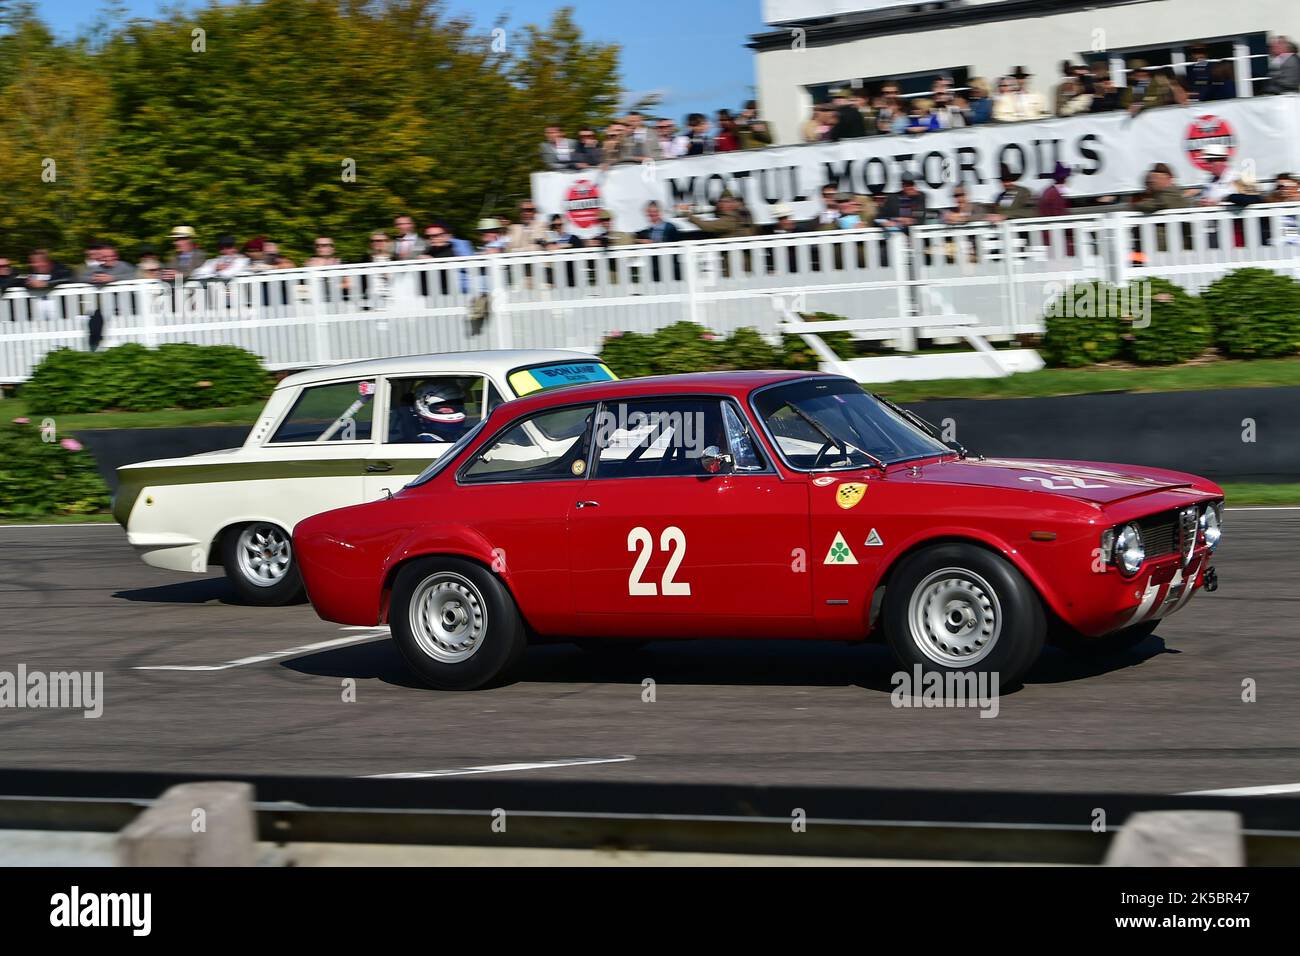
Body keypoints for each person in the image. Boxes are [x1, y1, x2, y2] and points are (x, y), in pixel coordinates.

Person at [675, 190, 754, 238]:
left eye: (726, 202)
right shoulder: (741, 214)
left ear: (733, 203)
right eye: (721, 202)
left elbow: (706, 226)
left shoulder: (732, 218)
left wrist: (686, 213)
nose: (722, 204)